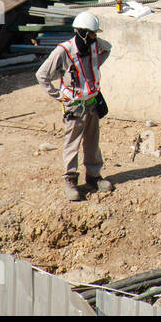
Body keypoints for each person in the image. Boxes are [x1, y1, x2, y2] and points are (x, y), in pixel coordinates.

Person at [37, 12, 113, 202]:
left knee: (92, 142)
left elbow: (108, 48)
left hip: (92, 102)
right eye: (92, 34)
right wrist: (58, 95)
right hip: (74, 106)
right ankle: (70, 180)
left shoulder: (96, 47)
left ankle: (94, 177)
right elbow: (42, 75)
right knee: (72, 144)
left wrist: (95, 67)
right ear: (82, 33)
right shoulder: (63, 51)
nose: (95, 37)